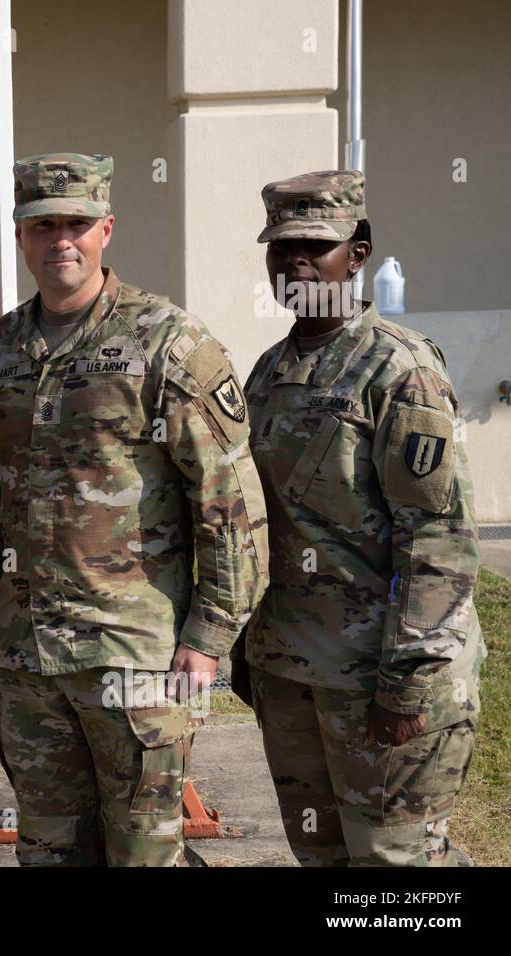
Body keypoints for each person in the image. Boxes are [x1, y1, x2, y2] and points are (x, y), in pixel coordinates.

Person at [0, 153, 269, 866]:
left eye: (75, 223)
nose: (59, 240)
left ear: (107, 229)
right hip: (30, 660)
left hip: (139, 657)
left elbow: (227, 500)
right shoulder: (0, 352)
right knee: (46, 850)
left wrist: (210, 634)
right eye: (43, 225)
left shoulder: (169, 344)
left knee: (141, 852)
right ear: (20, 236)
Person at [233, 169, 484, 866]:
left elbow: (437, 541)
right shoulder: (268, 373)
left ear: (361, 250)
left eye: (316, 244)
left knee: (395, 866)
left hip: (384, 675)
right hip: (294, 671)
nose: (295, 262)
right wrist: (249, 646)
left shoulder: (398, 372)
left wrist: (407, 679)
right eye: (280, 248)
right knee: (323, 855)